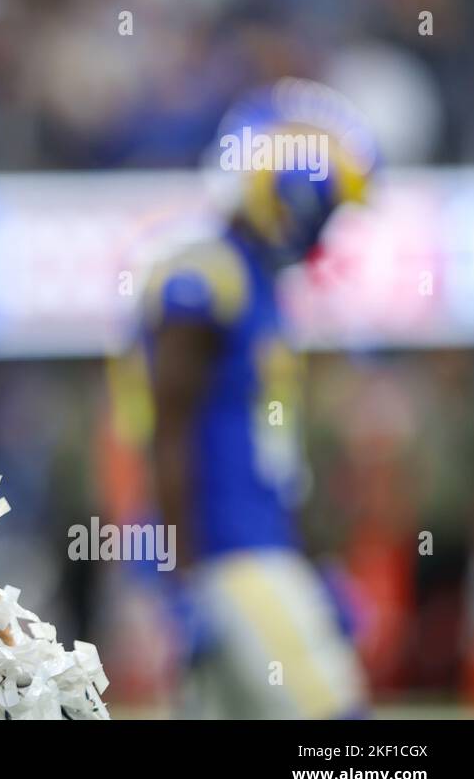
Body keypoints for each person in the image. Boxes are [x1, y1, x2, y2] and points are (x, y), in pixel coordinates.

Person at [134, 77, 376, 718]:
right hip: (230, 559)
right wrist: (179, 580)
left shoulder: (255, 282)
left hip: (262, 548)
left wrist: (310, 559)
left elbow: (272, 453)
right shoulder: (203, 275)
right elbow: (168, 432)